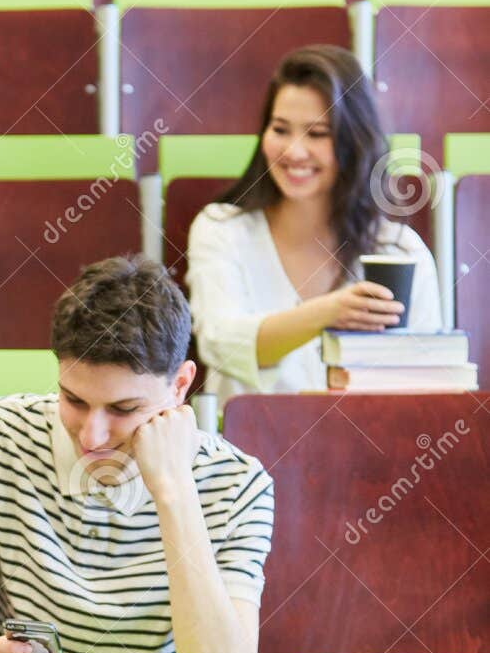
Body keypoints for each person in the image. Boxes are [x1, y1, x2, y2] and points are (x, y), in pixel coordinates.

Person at [0, 256, 274, 653]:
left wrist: (173, 490)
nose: (92, 437)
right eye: (74, 400)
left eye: (123, 408)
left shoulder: (239, 485)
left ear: (180, 385)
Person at [186, 45, 442, 403]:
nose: (293, 151)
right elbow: (221, 345)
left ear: (354, 141)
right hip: (247, 452)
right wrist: (328, 312)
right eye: (280, 129)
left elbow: (427, 385)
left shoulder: (400, 250)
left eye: (317, 133)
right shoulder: (221, 229)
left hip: (366, 452)